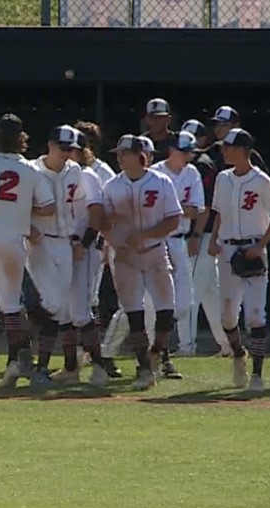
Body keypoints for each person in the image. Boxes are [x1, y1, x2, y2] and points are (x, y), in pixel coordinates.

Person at [0, 113, 56, 389]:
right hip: (14, 240)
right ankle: (14, 359)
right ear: (21, 140)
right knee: (11, 304)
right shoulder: (31, 169)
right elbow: (49, 208)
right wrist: (21, 211)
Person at [90, 134, 182, 391]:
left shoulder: (161, 182)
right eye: (118, 153)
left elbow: (174, 219)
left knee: (166, 312)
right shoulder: (111, 186)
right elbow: (103, 224)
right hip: (125, 256)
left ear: (140, 156)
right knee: (135, 314)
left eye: (125, 153)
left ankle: (156, 352)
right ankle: (143, 368)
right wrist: (112, 236)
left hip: (154, 251)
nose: (119, 158)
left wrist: (146, 235)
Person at [207, 128, 270, 392]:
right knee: (228, 315)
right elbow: (218, 211)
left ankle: (257, 374)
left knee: (256, 314)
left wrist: (260, 246)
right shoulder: (223, 178)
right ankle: (238, 355)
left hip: (253, 249)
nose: (224, 151)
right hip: (228, 249)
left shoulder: (261, 180)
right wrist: (214, 238)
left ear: (242, 150)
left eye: (228, 147)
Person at [28, 125, 87, 385]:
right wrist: (25, 227)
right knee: (52, 304)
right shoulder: (31, 170)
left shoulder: (74, 171)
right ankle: (32, 359)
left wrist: (77, 239)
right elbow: (16, 205)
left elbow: (80, 208)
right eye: (63, 148)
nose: (67, 154)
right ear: (49, 146)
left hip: (64, 242)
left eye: (70, 149)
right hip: (38, 243)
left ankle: (64, 367)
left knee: (62, 308)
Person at [151, 131, 204, 361]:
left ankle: (160, 351)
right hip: (157, 242)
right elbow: (156, 212)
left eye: (190, 152)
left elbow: (196, 210)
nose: (188, 156)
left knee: (182, 305)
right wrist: (179, 208)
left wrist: (174, 208)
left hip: (180, 239)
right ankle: (156, 355)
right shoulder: (155, 173)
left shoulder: (192, 173)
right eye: (184, 152)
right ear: (172, 150)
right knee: (152, 303)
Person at [183, 119, 231, 358]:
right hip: (201, 234)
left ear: (202, 141)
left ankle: (186, 347)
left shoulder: (203, 165)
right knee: (211, 294)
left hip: (202, 234)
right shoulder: (191, 166)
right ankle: (228, 344)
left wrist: (197, 234)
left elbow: (207, 205)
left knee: (190, 291)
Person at [66, 131, 111, 385]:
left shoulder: (87, 175)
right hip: (65, 248)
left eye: (71, 149)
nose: (67, 154)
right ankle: (71, 367)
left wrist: (84, 243)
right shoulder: (64, 175)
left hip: (84, 248)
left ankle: (99, 367)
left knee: (81, 311)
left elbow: (97, 212)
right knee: (66, 310)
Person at [141, 98, 178, 162]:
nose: (156, 121)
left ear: (168, 119)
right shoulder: (140, 143)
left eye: (160, 117)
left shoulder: (177, 142)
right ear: (147, 119)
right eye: (152, 117)